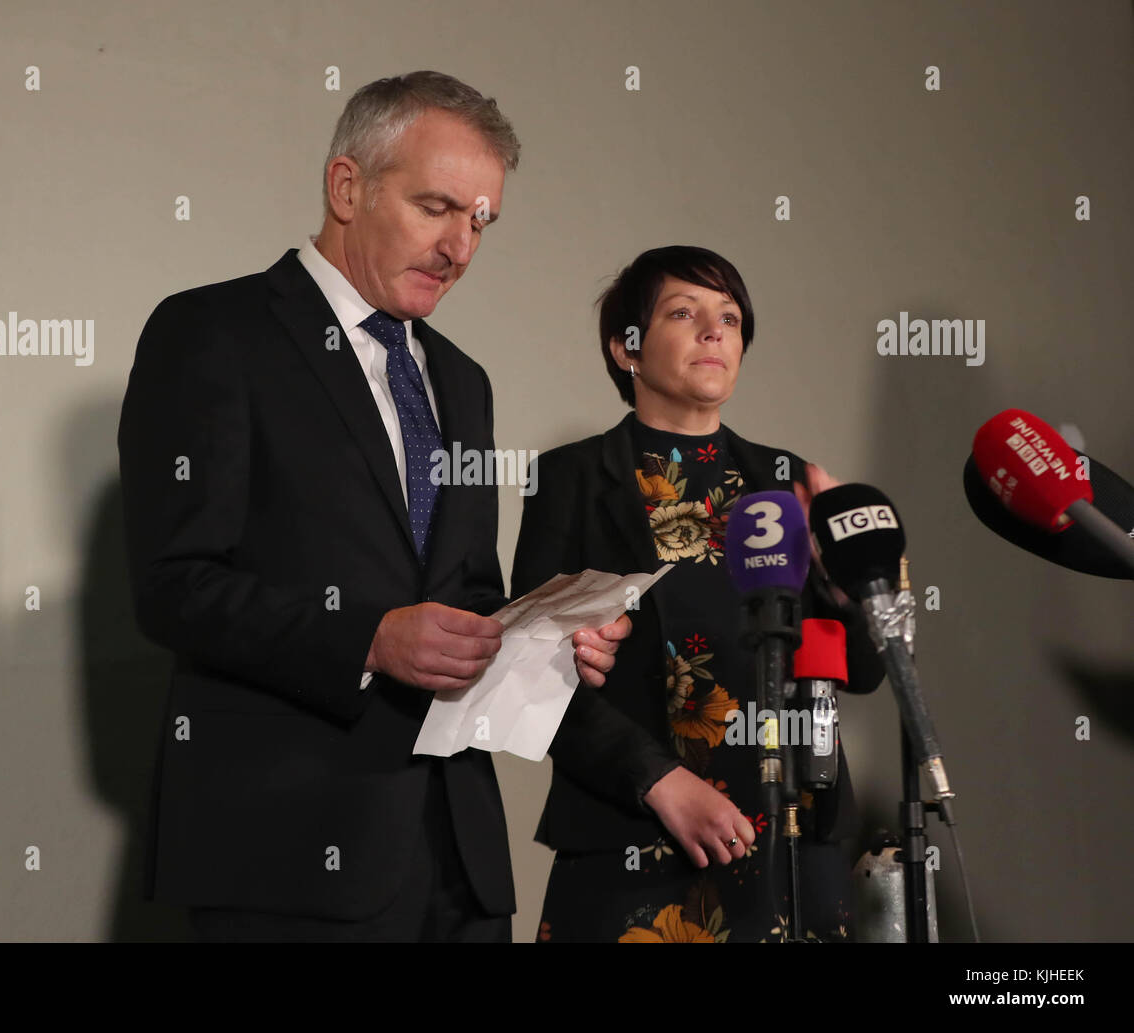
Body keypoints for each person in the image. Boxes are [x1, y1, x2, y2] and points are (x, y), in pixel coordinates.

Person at [116, 70, 629, 943]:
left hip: (460, 861)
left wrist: (547, 641)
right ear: (346, 186)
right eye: (436, 207)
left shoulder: (463, 382)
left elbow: (466, 594)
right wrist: (367, 637)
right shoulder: (212, 334)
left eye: (480, 221)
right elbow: (174, 586)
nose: (459, 247)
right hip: (286, 855)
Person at [510, 245, 886, 942]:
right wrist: (661, 782)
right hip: (637, 835)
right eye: (684, 313)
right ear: (628, 348)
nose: (715, 331)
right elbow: (536, 675)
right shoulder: (570, 478)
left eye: (731, 317)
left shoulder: (786, 480)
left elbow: (862, 670)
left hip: (790, 844)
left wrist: (841, 583)